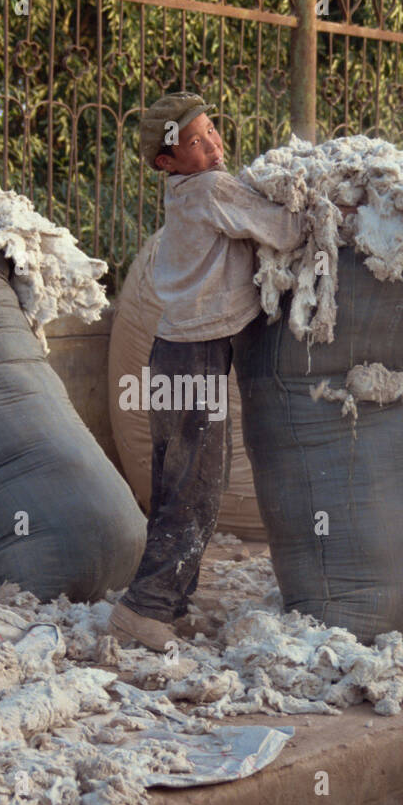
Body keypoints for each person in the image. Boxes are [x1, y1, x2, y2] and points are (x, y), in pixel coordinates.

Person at [107, 92, 307, 651]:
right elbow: (285, 231)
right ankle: (143, 608)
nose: (214, 146)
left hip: (175, 351)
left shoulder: (190, 189)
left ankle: (168, 605)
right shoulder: (213, 189)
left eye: (213, 131)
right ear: (166, 163)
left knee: (182, 485)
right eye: (196, 142)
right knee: (196, 489)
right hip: (192, 354)